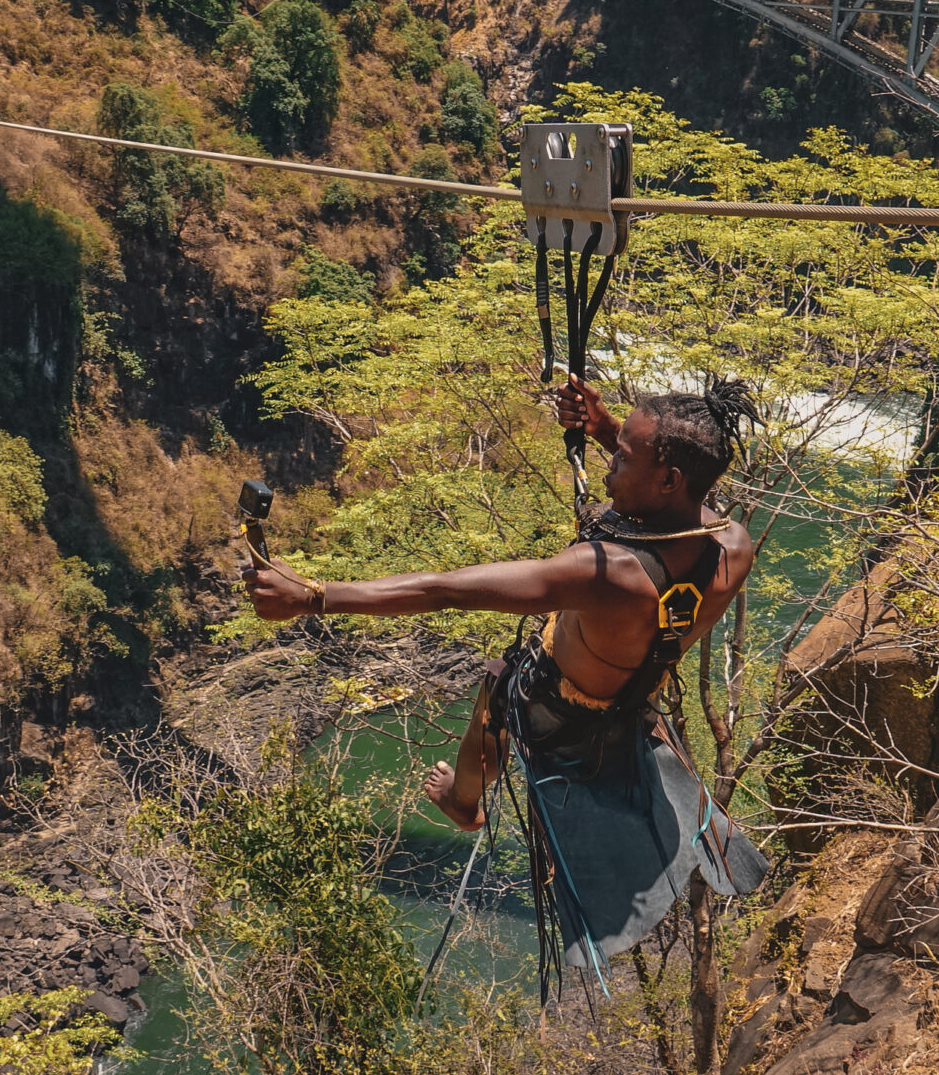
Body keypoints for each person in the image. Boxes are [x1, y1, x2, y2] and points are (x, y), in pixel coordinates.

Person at [243, 373, 769, 985]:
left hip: (561, 711)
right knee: (514, 684)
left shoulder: (608, 573)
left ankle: (463, 805)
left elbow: (443, 588)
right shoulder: (731, 543)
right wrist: (600, 427)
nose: (607, 470)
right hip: (633, 702)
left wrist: (311, 596)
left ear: (669, 479)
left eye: (622, 457)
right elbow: (669, 503)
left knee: (498, 689)